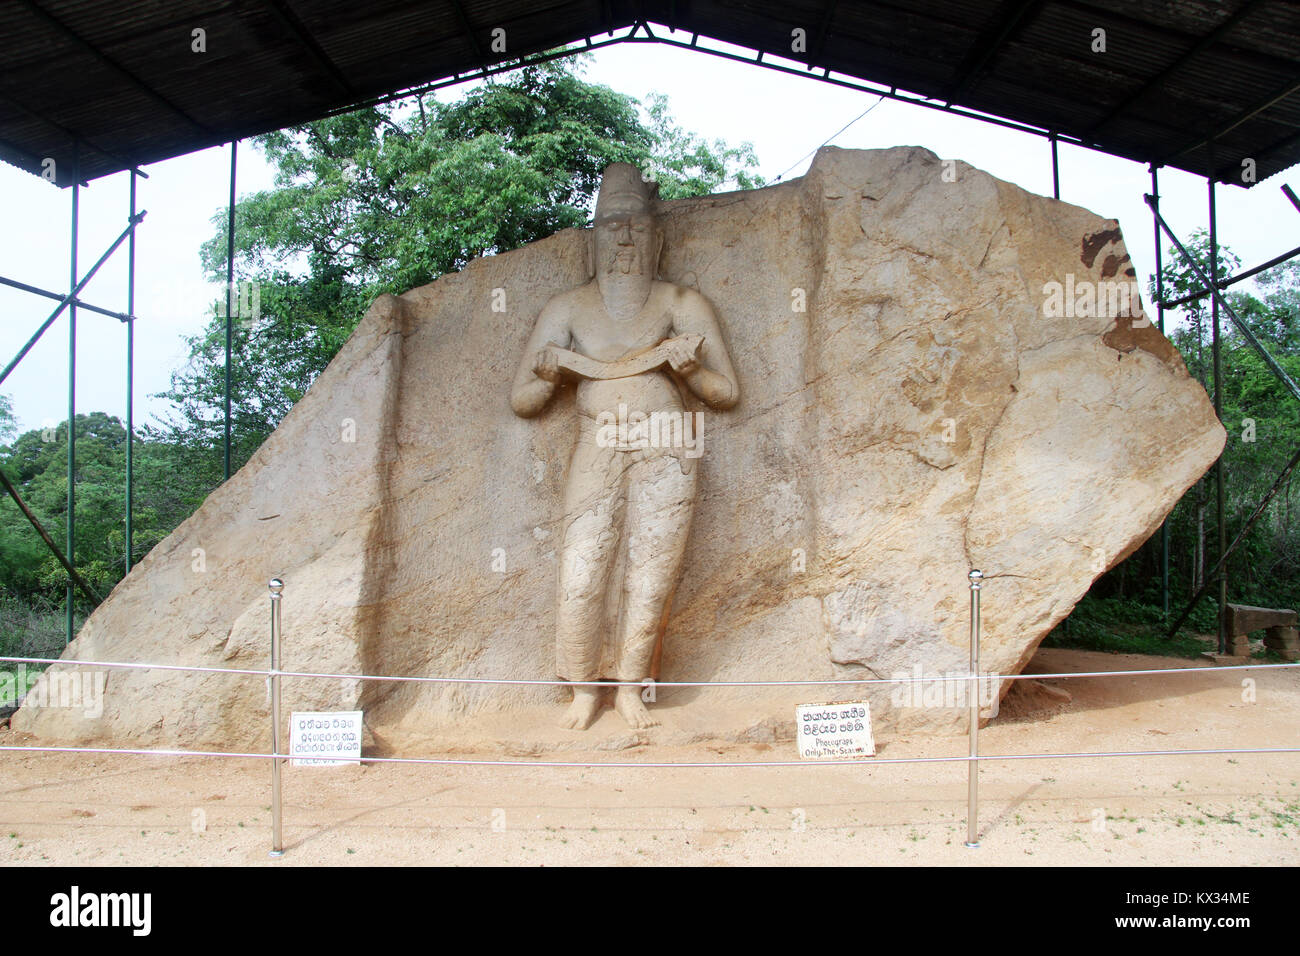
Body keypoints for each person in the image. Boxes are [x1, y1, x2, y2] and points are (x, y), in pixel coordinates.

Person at [510, 162, 739, 729]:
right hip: (598, 439)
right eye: (612, 224)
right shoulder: (567, 308)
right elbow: (523, 400)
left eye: (636, 223)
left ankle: (635, 686)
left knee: (651, 566)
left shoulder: (681, 301)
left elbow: (726, 392)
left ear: (656, 235)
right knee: (583, 565)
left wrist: (688, 372)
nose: (625, 237)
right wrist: (547, 373)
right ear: (594, 236)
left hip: (665, 440)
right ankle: (584, 687)